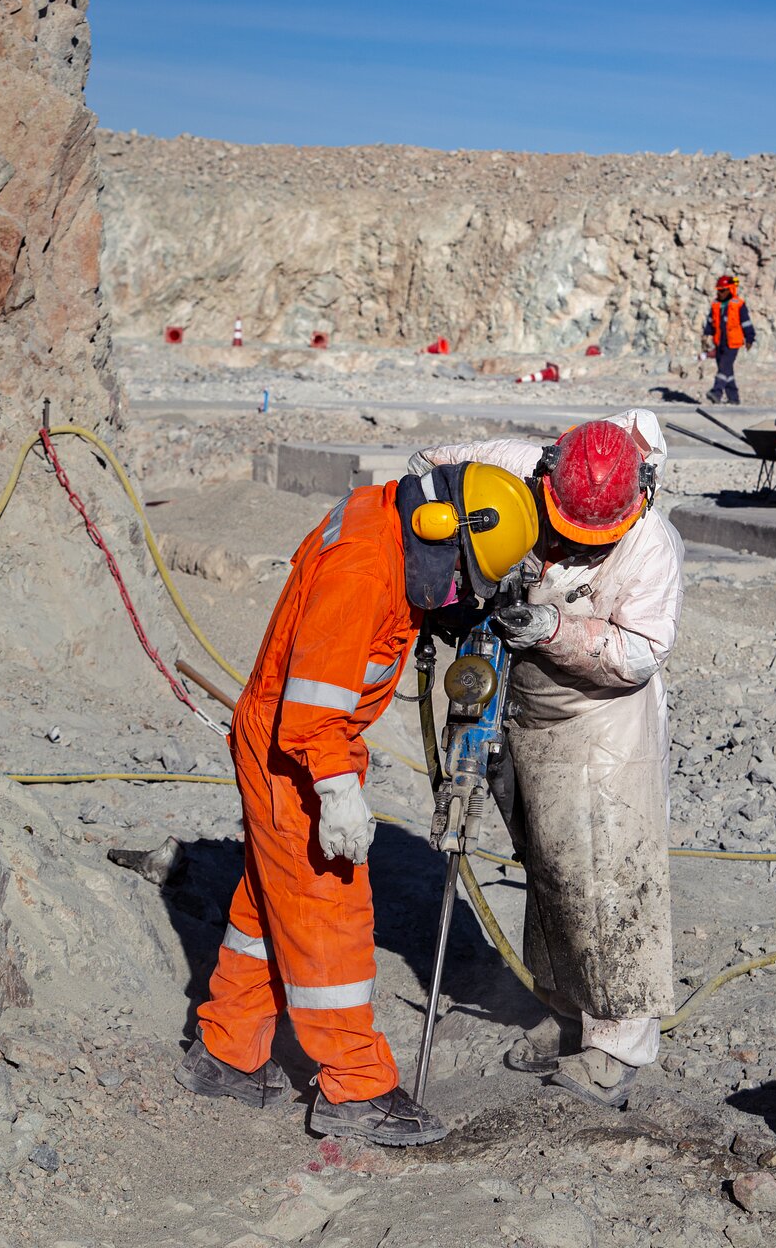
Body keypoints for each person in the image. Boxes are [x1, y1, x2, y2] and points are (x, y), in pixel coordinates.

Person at [174, 460, 539, 1146]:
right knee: (326, 909)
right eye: (459, 573)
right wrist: (337, 792)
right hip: (299, 753)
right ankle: (355, 1089)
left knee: (268, 903)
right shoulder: (362, 572)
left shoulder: (387, 516)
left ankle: (226, 1052)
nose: (457, 589)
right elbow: (312, 709)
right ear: (437, 529)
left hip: (285, 738)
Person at [418, 410, 683, 1112]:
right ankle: (568, 1012)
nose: (572, 543)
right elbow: (428, 469)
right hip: (521, 703)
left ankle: (617, 1046)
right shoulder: (516, 465)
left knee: (607, 874)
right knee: (551, 864)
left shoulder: (649, 545)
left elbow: (639, 654)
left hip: (601, 724)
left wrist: (557, 627)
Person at [704, 272, 756, 405]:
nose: (720, 293)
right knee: (728, 371)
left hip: (733, 343)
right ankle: (734, 398)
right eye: (719, 290)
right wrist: (706, 335)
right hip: (719, 342)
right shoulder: (716, 304)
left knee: (723, 367)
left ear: (730, 289)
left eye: (723, 290)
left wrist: (749, 338)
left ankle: (716, 392)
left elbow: (746, 323)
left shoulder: (738, 304)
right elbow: (710, 322)